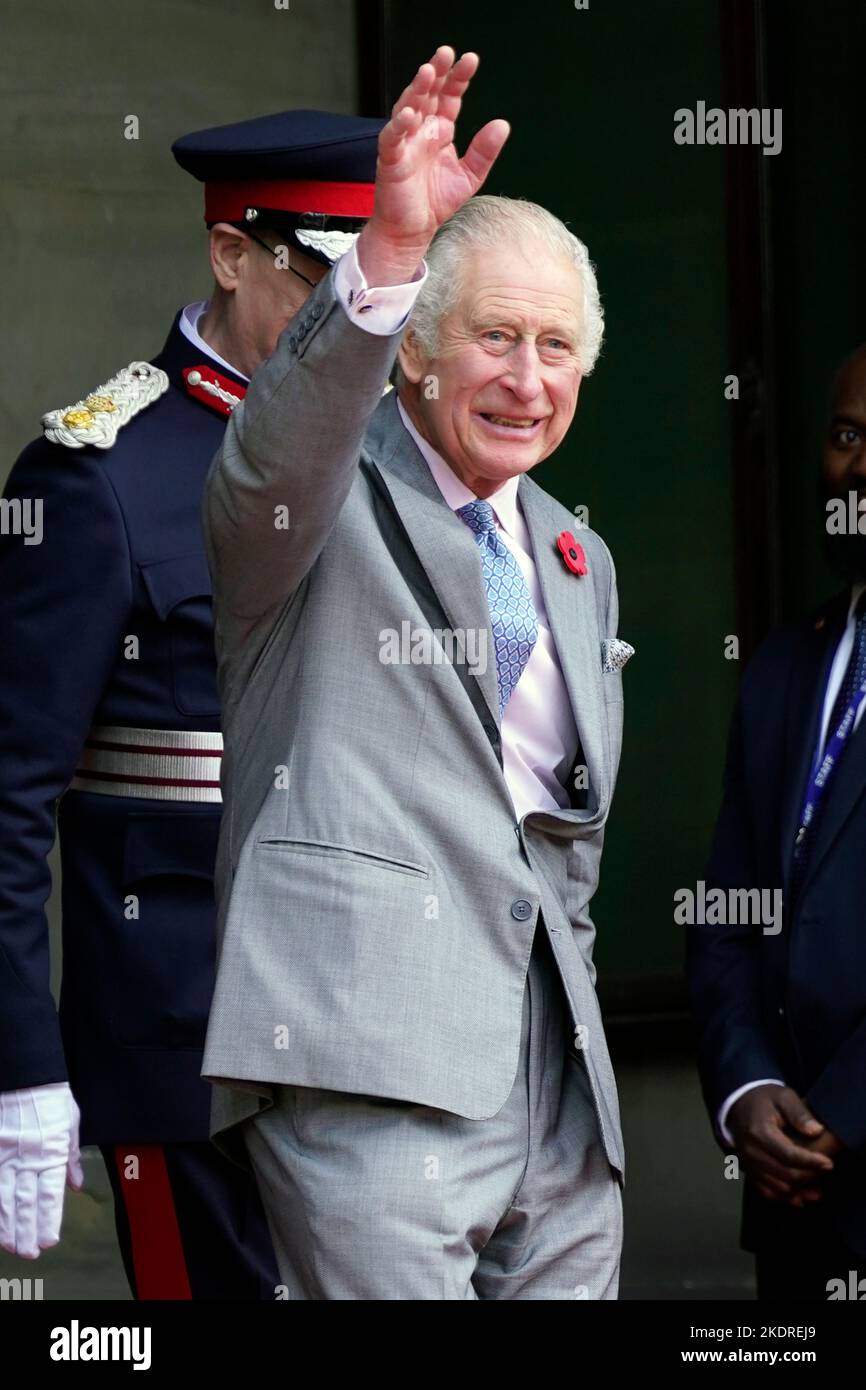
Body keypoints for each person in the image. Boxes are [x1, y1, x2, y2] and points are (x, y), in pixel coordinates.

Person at [202, 46, 631, 1300]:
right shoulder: (309, 505)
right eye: (493, 337)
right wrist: (384, 258)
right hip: (365, 1067)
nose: (527, 378)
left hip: (555, 1087)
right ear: (414, 353)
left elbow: (562, 829)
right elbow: (279, 443)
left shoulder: (576, 553)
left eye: (556, 346)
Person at [0, 108, 383, 1299]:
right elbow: (6, 799)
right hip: (189, 1042)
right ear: (231, 253)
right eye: (324, 270)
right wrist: (20, 1064)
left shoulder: (401, 445)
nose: (359, 313)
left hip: (382, 1021)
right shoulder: (102, 472)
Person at [688, 344, 866, 1301]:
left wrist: (842, 1111)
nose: (863, 467)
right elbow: (724, 916)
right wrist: (748, 1090)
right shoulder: (783, 671)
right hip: (792, 1211)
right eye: (847, 435)